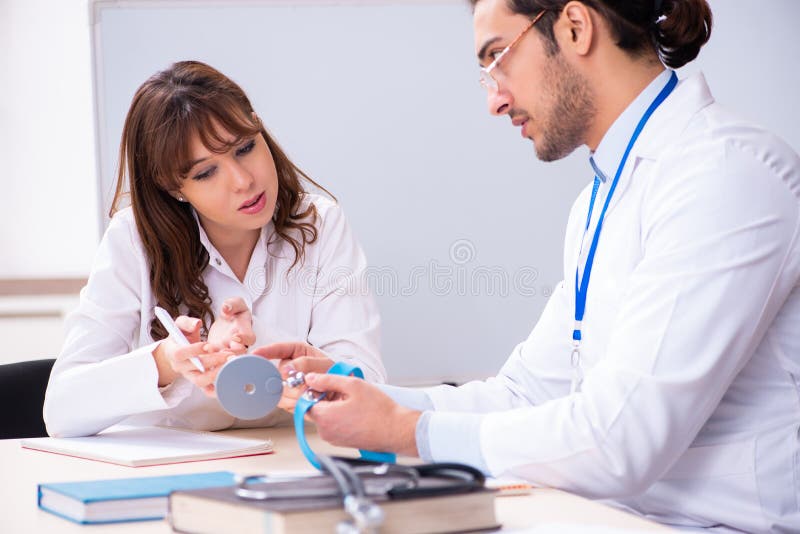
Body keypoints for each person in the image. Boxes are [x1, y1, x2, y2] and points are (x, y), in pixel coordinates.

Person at [257, 0, 800, 530]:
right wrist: (358, 394)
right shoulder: (599, 200)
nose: (493, 101)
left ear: (574, 27)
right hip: (609, 516)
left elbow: (621, 442)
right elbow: (525, 393)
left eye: (497, 58)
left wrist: (407, 431)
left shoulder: (724, 174)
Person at [44, 61, 385, 438]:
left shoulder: (319, 224)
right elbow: (62, 410)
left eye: (245, 147)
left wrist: (257, 340)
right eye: (206, 173)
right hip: (169, 472)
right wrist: (169, 360)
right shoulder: (132, 239)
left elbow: (366, 386)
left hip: (288, 464)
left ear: (258, 127)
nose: (244, 181)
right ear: (172, 186)